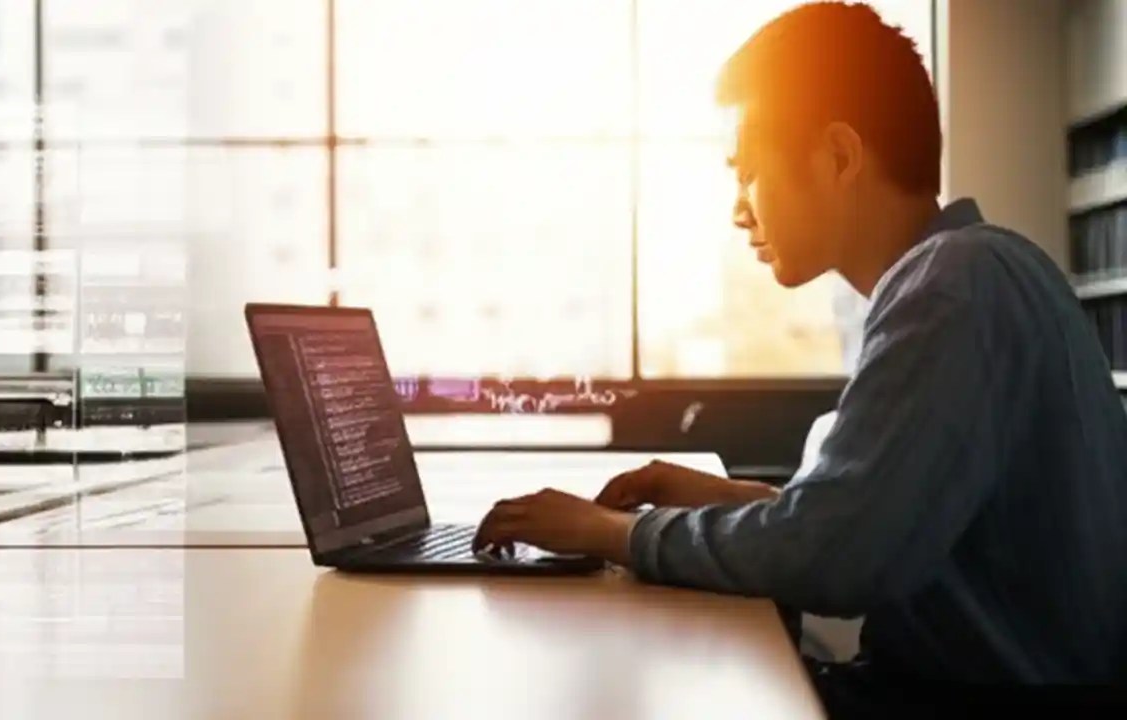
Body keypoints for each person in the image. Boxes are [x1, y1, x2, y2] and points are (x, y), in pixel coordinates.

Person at [473, 1, 1127, 714]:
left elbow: (834, 558)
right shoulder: (985, 268)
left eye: (748, 171)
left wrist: (612, 533)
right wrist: (727, 497)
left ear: (840, 156)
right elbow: (875, 517)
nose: (738, 209)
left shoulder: (951, 287)